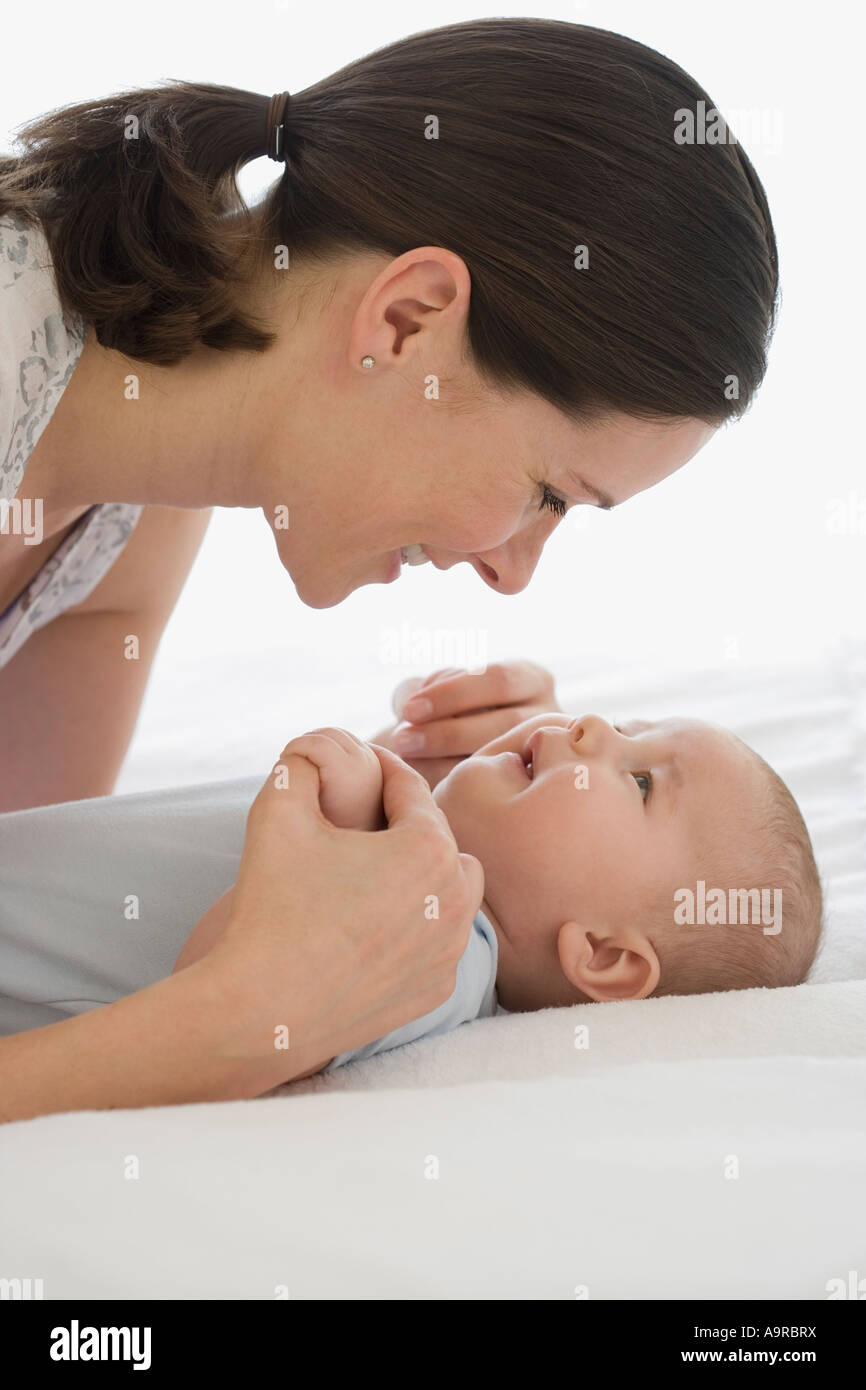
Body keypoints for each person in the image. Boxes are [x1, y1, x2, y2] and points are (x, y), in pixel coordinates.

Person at [0, 18, 779, 1121]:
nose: (513, 576)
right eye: (549, 496)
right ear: (408, 321)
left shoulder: (137, 499)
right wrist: (231, 1020)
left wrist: (442, 820)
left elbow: (25, 920)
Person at [170, 714, 824, 1076]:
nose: (591, 725)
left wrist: (338, 832)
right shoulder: (421, 869)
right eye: (627, 724)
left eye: (643, 780)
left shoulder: (440, 956)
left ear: (601, 954)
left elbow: (222, 1032)